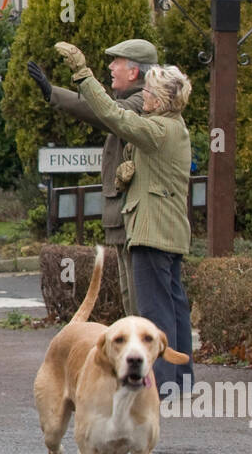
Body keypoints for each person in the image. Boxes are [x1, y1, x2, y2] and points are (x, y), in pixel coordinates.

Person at [54, 41, 194, 390]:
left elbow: (113, 115)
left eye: (148, 91)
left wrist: (82, 74)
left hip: (151, 232)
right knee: (175, 306)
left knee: (153, 312)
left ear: (159, 99)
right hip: (169, 231)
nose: (143, 95)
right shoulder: (173, 126)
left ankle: (159, 384)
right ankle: (181, 380)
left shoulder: (158, 129)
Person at [27, 38, 157, 316]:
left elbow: (106, 112)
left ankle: (147, 357)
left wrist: (61, 89)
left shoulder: (139, 104)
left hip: (133, 215)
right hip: (125, 216)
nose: (110, 67)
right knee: (130, 300)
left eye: (116, 62)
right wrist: (54, 93)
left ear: (134, 72)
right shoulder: (130, 102)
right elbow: (105, 110)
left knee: (138, 304)